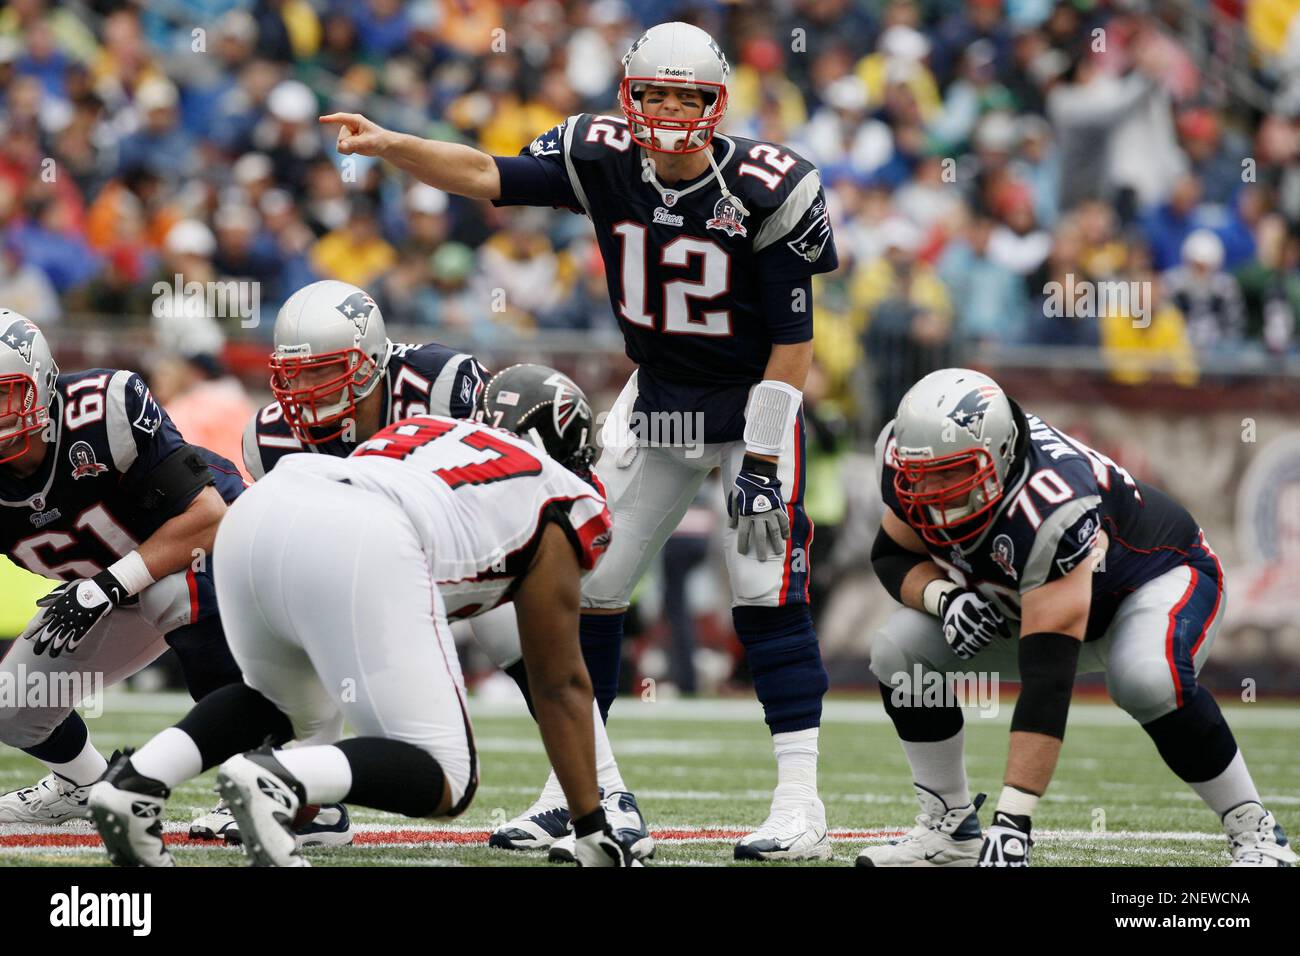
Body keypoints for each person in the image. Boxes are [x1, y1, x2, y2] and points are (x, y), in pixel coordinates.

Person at [320, 19, 839, 861]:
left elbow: (792, 341)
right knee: (586, 582)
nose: (670, 111)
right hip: (658, 396)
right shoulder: (600, 155)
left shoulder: (767, 185)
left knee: (763, 588)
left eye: (688, 97)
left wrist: (768, 452)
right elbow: (489, 174)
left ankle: (799, 803)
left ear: (718, 104)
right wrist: (390, 145)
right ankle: (579, 792)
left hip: (752, 403)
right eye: (655, 93)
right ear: (628, 96)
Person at [88, 365, 637, 867]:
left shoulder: (423, 431)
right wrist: (590, 826)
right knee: (449, 776)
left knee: (283, 704)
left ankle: (137, 782)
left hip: (261, 511)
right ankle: (279, 779)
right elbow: (559, 681)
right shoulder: (556, 489)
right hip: (363, 534)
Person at [861, 367, 1296, 867]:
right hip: (1031, 600)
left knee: (1145, 679)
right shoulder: (909, 465)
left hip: (1152, 581)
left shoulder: (1052, 506)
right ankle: (951, 831)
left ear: (1001, 455)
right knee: (899, 652)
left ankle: (1258, 833)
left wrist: (1014, 823)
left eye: (953, 472)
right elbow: (891, 553)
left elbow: (1048, 680)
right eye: (924, 474)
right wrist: (944, 597)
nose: (933, 491)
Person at [0, 310, 246, 824]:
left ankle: (255, 780)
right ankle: (84, 783)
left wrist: (106, 587)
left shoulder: (106, 409)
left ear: (40, 388)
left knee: (172, 591)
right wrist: (102, 590)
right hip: (103, 592)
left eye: (0, 394)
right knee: (12, 704)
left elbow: (206, 518)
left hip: (213, 552)